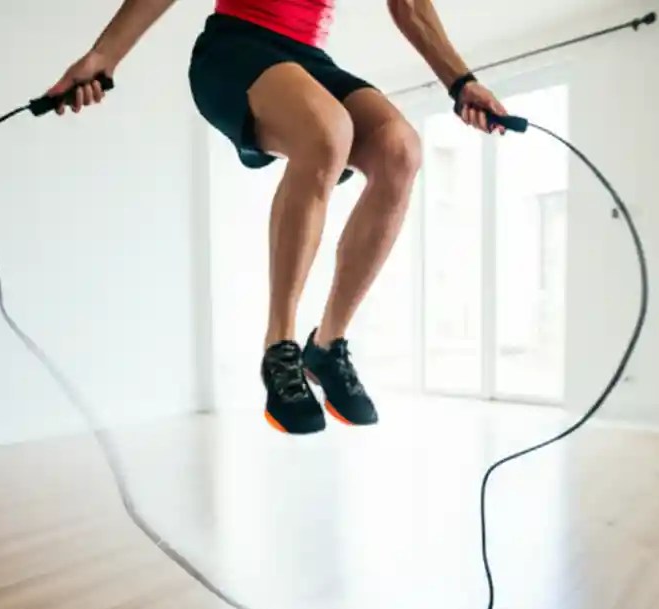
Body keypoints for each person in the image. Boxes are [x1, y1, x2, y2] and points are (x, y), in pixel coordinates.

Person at [43, 0, 508, 435]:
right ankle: (279, 348)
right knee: (328, 131)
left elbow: (408, 4)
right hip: (233, 50)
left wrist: (461, 82)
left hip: (306, 59)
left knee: (400, 150)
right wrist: (104, 55)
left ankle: (327, 347)